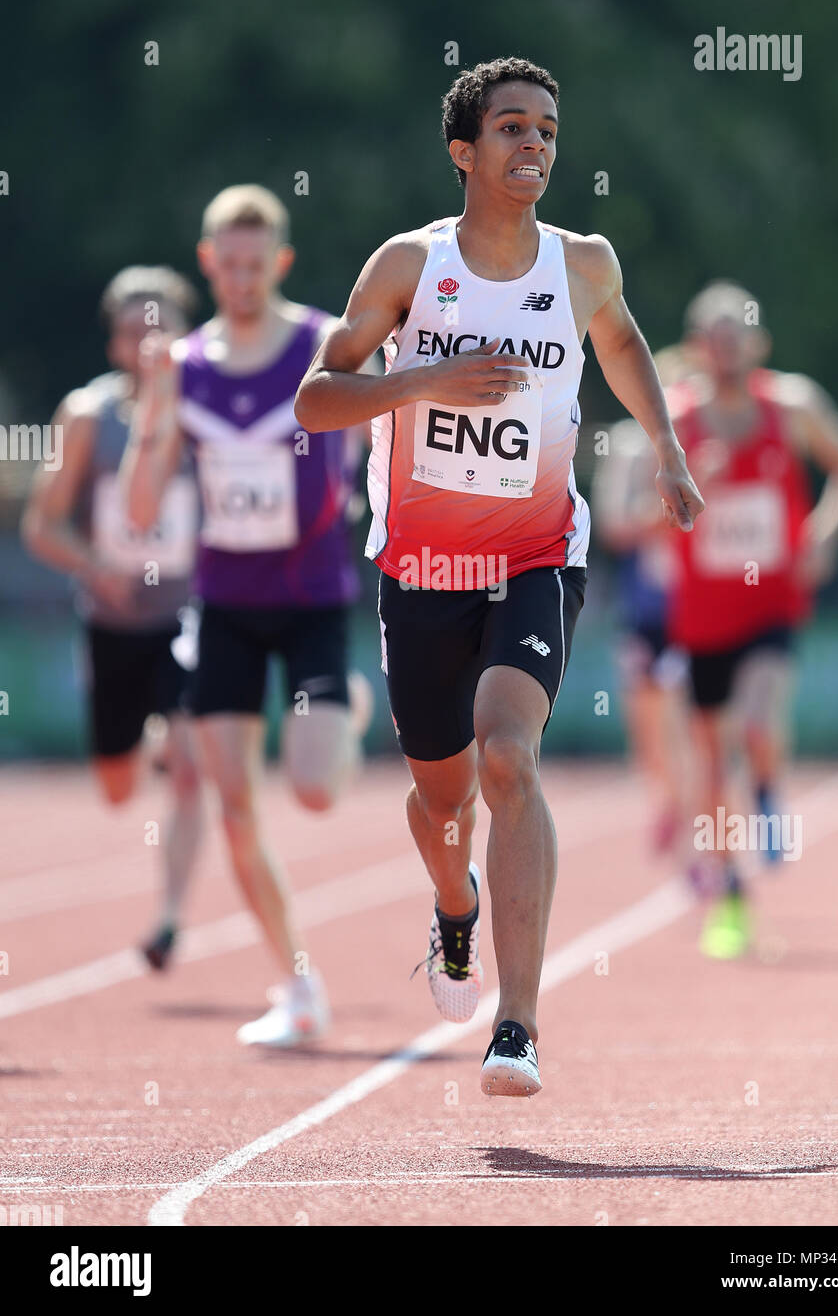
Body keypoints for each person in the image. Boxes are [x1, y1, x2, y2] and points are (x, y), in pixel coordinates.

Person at [295, 57, 704, 1094]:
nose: (535, 145)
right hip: (422, 563)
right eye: (513, 128)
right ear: (464, 151)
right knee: (440, 805)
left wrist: (666, 449)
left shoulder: (584, 264)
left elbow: (620, 343)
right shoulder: (408, 264)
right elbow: (317, 398)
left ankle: (517, 1024)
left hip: (534, 553)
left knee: (509, 757)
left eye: (549, 130)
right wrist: (431, 380)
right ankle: (455, 907)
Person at [122, 185, 372, 1047]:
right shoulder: (183, 368)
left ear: (281, 264)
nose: (240, 278)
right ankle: (299, 986)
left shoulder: (322, 345)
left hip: (309, 600)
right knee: (235, 805)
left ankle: (349, 709)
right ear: (207, 263)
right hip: (225, 603)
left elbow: (384, 435)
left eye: (255, 265)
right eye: (226, 265)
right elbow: (144, 504)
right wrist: (157, 415)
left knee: (311, 789)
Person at [667, 281, 838, 957]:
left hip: (773, 601)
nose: (727, 350)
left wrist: (822, 534)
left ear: (758, 344)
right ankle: (729, 895)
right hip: (702, 618)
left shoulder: (792, 404)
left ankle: (769, 780)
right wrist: (697, 485)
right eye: (714, 339)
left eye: (738, 337)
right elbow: (631, 521)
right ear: (698, 348)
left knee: (755, 720)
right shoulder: (673, 419)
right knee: (711, 763)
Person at [22, 266, 204, 970]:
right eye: (135, 330)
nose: (149, 341)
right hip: (114, 620)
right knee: (116, 783)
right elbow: (43, 524)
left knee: (190, 764)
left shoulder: (209, 411)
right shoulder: (88, 418)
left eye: (162, 327)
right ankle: (148, 739)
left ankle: (168, 920)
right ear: (114, 346)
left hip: (190, 613)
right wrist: (99, 567)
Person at [591, 365, 702, 854]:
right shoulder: (628, 445)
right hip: (644, 609)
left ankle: (699, 824)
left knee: (688, 724)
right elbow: (614, 525)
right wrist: (666, 509)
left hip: (697, 608)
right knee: (648, 730)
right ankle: (671, 801)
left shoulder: (706, 441)